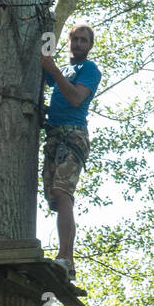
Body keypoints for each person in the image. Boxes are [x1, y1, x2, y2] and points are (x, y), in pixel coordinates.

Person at [40, 22, 101, 279]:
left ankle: (66, 258)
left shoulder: (89, 69)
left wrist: (53, 69)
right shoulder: (64, 69)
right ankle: (67, 262)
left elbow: (76, 98)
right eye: (75, 39)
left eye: (84, 40)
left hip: (73, 135)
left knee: (62, 192)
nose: (78, 44)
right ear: (68, 41)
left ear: (90, 45)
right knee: (54, 198)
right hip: (54, 134)